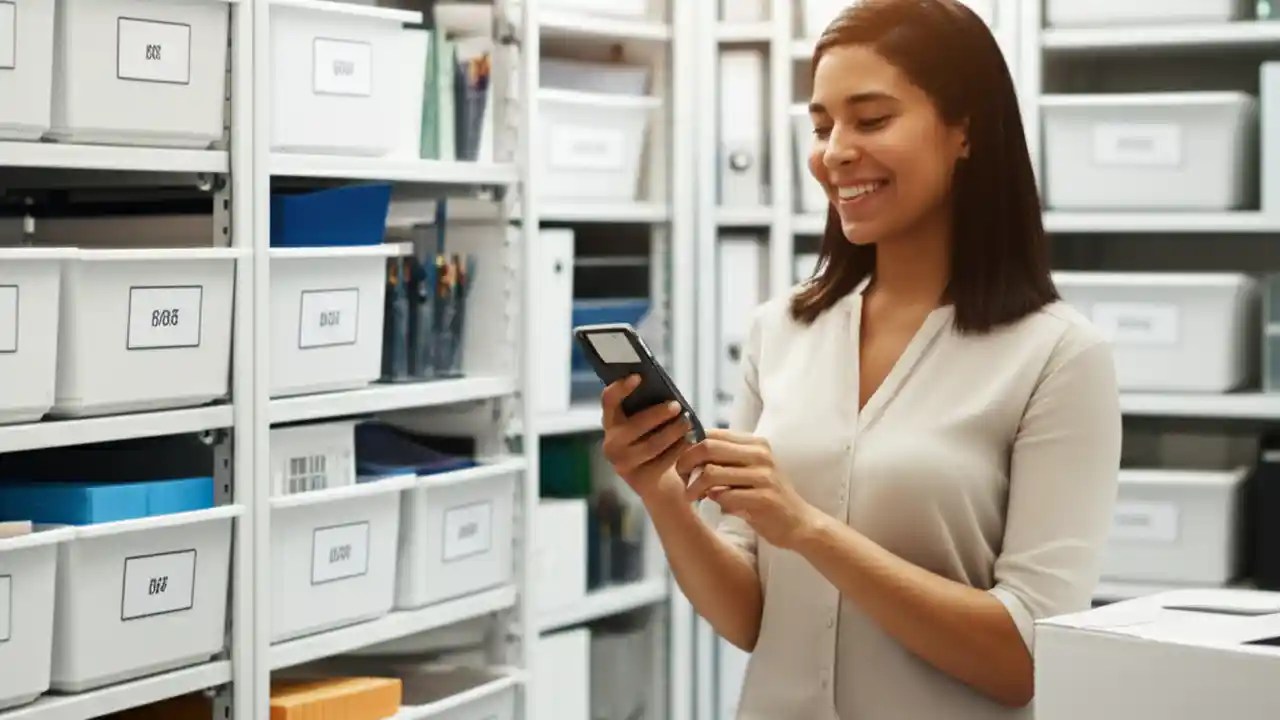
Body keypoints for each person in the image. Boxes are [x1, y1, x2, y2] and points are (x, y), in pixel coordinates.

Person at [599, 1, 1122, 718]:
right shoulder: (779, 330)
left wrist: (809, 529)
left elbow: (1025, 658)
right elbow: (750, 616)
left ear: (964, 130)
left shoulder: (1060, 357)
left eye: (871, 120)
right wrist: (661, 490)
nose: (835, 151)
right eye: (821, 126)